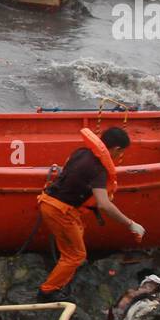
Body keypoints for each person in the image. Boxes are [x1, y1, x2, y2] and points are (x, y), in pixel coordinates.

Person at [36, 127, 145, 302]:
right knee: (76, 255)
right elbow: (104, 204)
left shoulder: (81, 152)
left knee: (76, 236)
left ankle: (64, 273)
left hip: (49, 201)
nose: (119, 157)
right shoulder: (98, 170)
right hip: (60, 211)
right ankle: (47, 291)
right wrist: (130, 223)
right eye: (121, 153)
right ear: (116, 149)